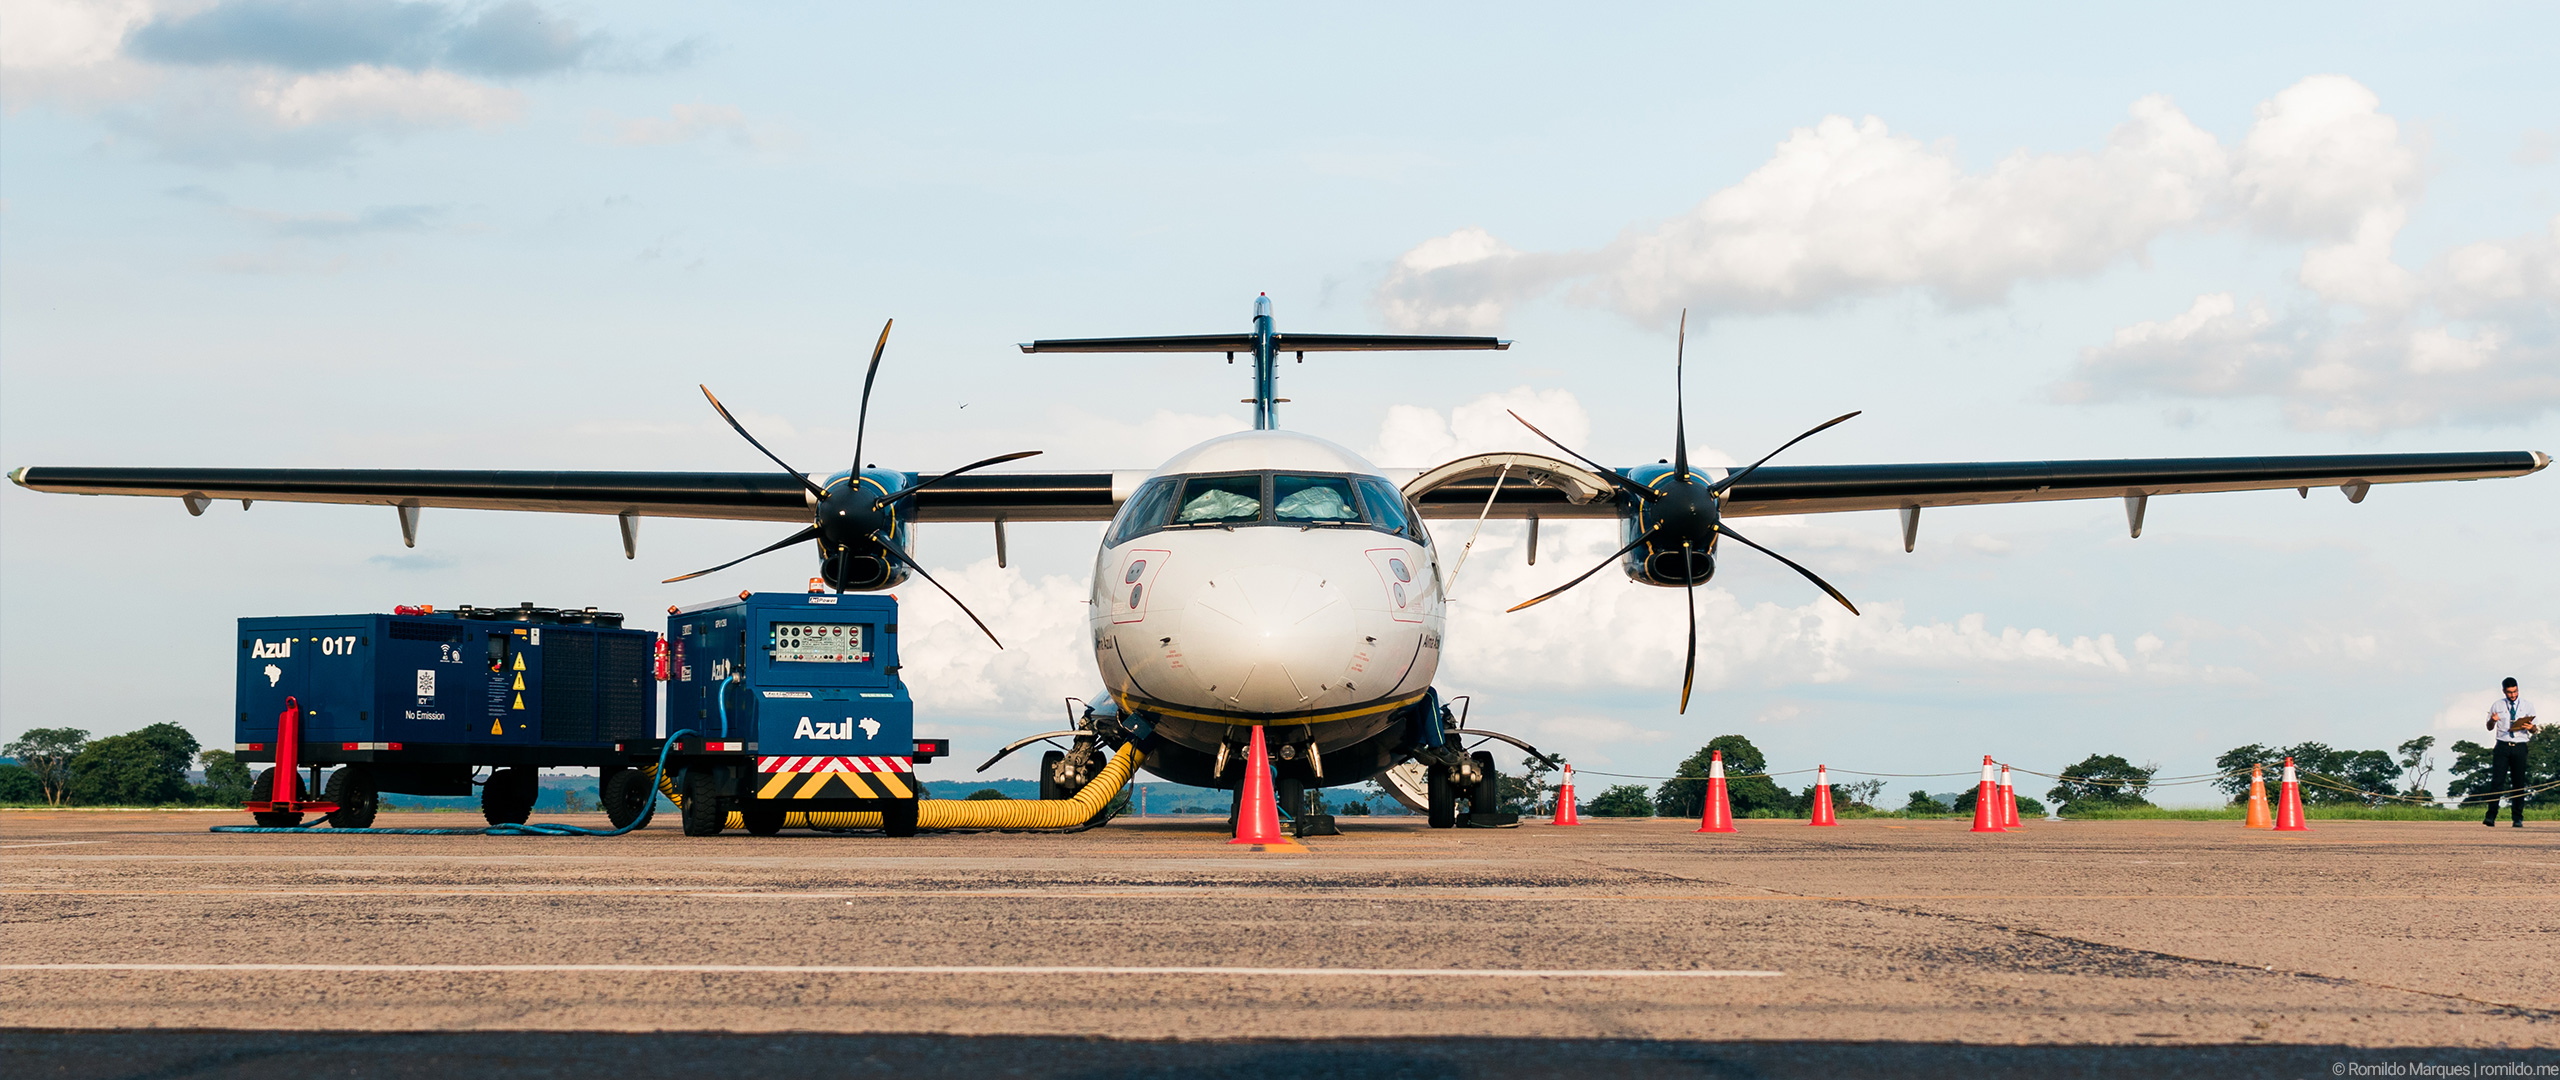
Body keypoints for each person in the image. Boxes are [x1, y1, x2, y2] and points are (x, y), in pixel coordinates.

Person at [2483, 677, 2537, 828]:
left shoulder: (2527, 705)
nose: (2513, 695)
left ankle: (2517, 817)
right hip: (2503, 745)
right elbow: (2489, 727)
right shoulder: (2497, 705)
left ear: (2518, 689)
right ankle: (2491, 816)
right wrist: (2493, 721)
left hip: (2520, 745)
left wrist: (2529, 727)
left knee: (2518, 783)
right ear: (2504, 691)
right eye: (2509, 692)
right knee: (2497, 782)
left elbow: (2535, 729)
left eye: (2515, 692)